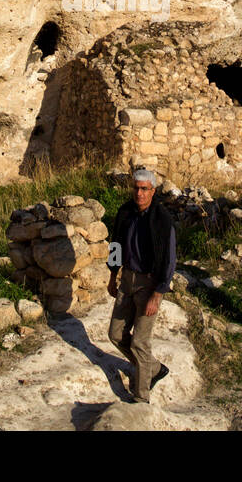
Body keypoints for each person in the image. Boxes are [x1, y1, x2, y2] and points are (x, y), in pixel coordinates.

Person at [107, 167, 176, 402]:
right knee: (116, 334)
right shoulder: (125, 212)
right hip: (127, 279)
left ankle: (141, 398)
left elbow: (169, 259)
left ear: (153, 191)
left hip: (149, 283)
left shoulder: (162, 219)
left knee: (139, 341)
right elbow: (116, 244)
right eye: (136, 188)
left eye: (144, 189)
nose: (139, 194)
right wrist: (112, 275)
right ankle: (154, 368)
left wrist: (158, 294)